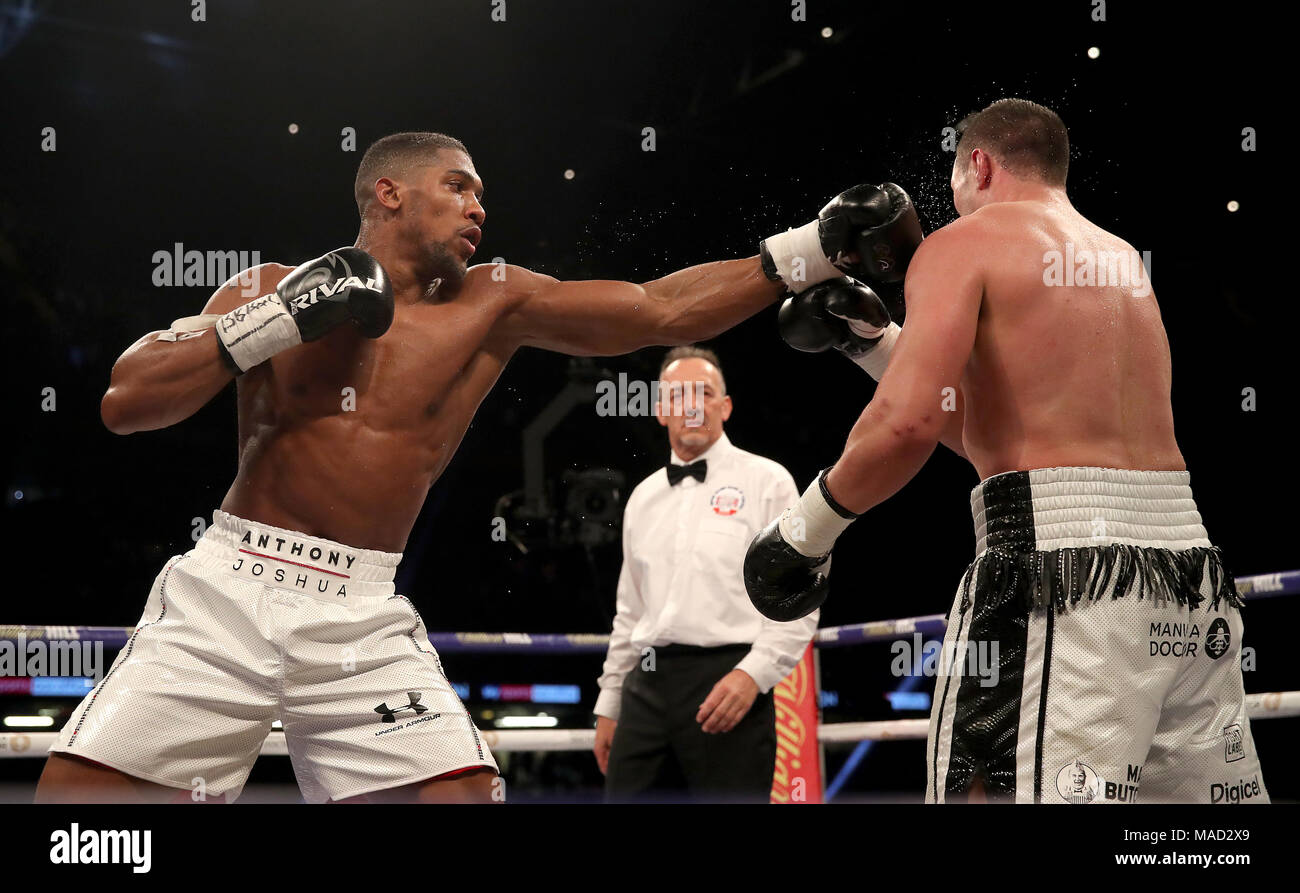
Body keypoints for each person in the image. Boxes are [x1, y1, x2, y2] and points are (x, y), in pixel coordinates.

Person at [35, 131, 893, 804]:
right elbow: (126, 399)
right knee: (83, 819)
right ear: (389, 191)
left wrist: (811, 248)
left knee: (460, 793)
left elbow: (657, 308)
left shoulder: (495, 302)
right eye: (459, 185)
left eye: (481, 191)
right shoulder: (270, 284)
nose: (480, 204)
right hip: (228, 586)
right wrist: (277, 319)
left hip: (359, 607)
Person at [745, 99, 1268, 804]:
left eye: (955, 178)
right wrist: (877, 345)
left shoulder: (964, 242)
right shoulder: (1120, 261)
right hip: (1191, 580)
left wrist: (804, 533)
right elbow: (1002, 436)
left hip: (1060, 575)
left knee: (982, 792)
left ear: (978, 163)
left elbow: (907, 424)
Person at [592, 347, 815, 802]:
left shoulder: (769, 482)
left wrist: (753, 674)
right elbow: (629, 612)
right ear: (660, 410)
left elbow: (797, 597)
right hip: (646, 686)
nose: (691, 405)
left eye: (704, 393)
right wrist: (610, 703)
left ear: (725, 406)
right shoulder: (642, 498)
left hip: (727, 679)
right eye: (678, 395)